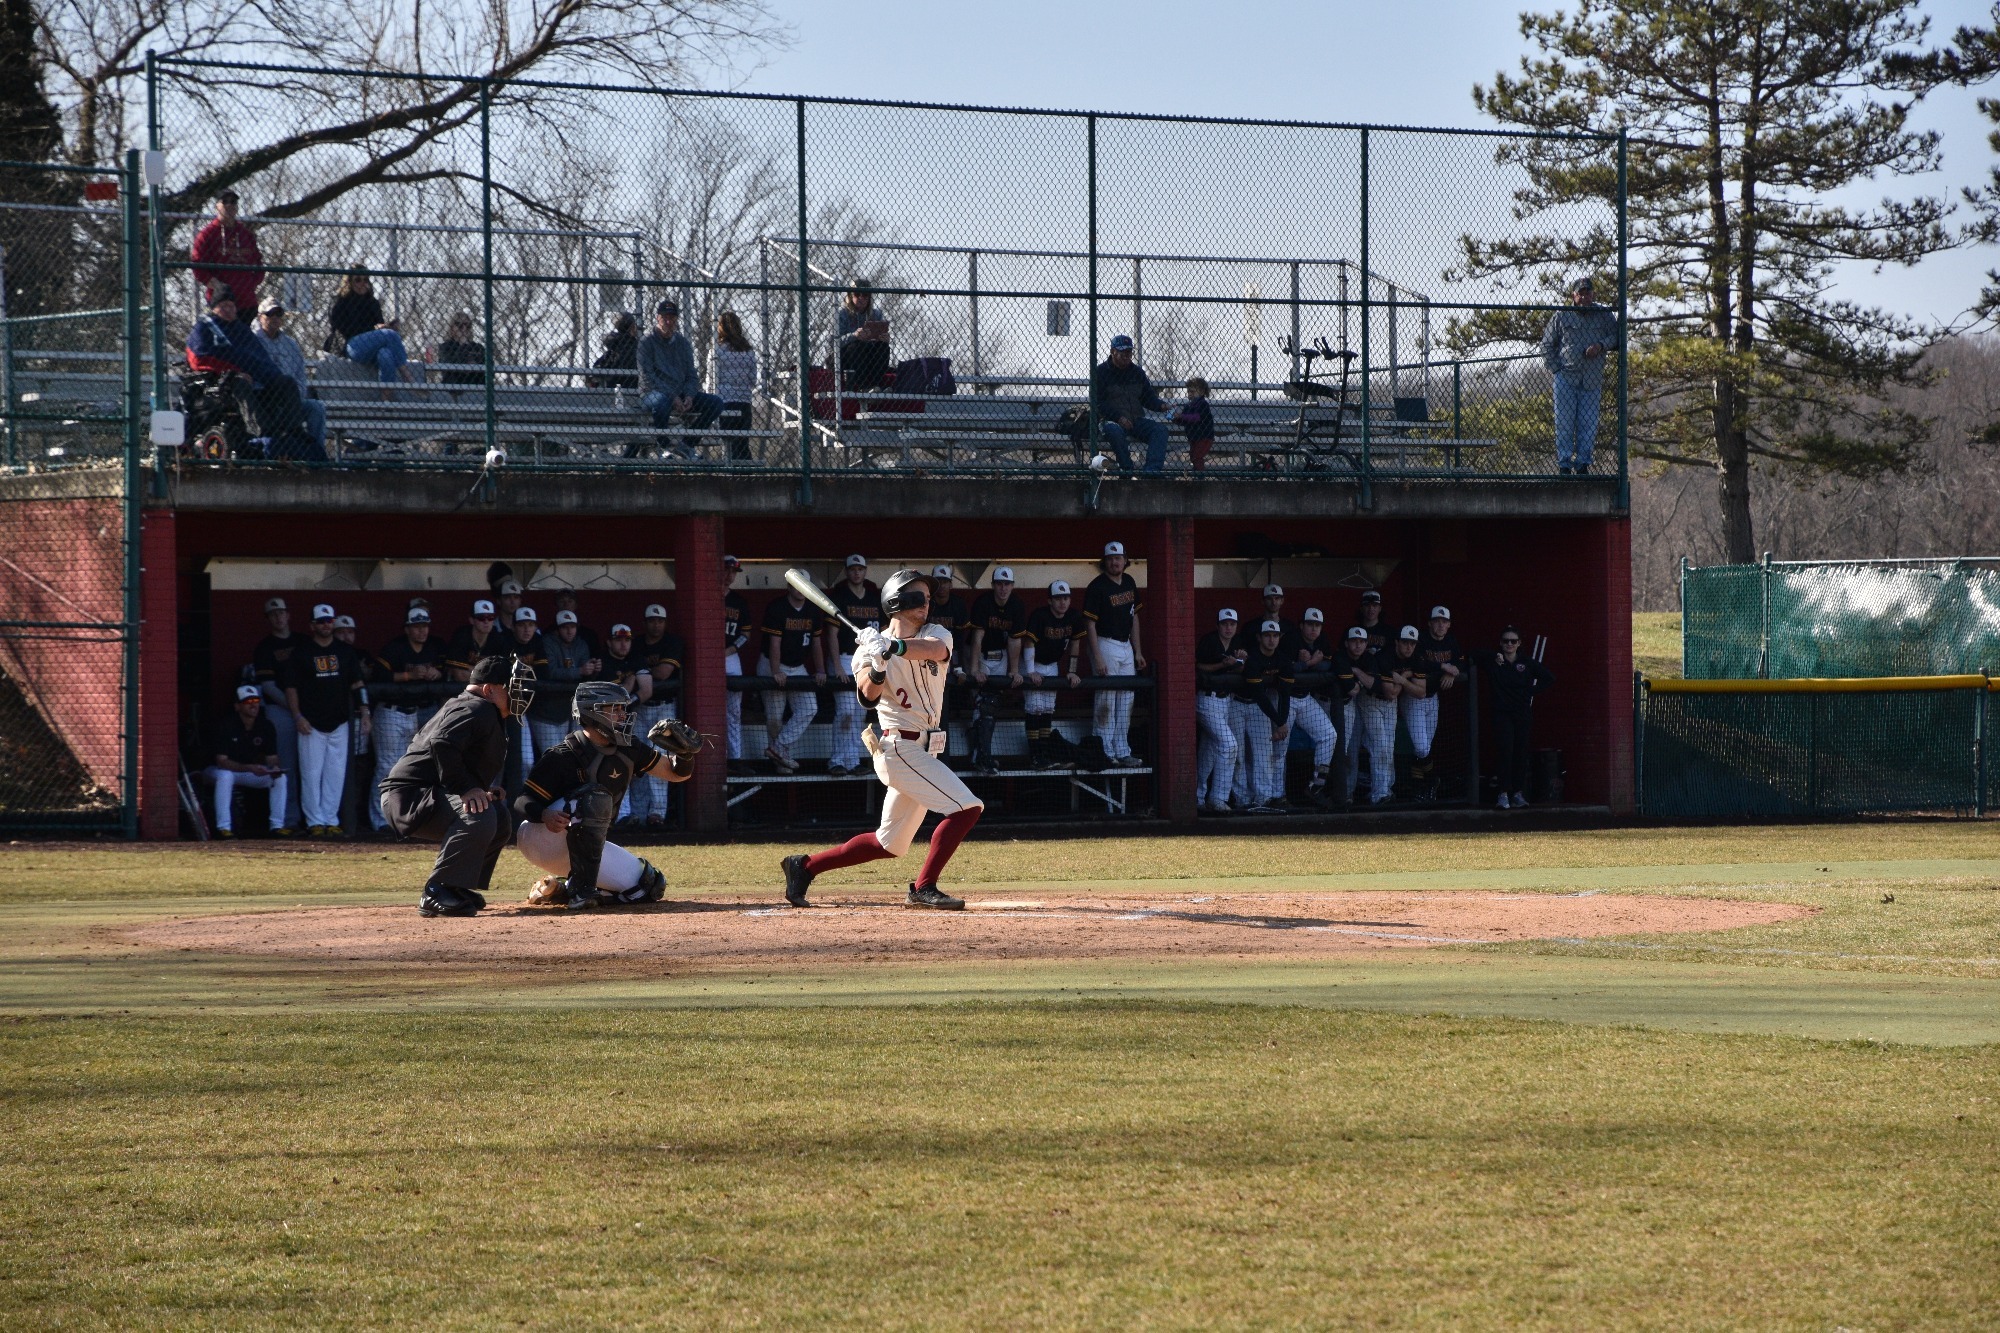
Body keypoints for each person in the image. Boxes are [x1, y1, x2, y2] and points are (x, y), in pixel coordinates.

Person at [780, 570, 983, 911]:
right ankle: (923, 887)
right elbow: (867, 696)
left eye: (928, 598)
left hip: (924, 750)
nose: (926, 604)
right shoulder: (868, 649)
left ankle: (805, 866)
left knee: (889, 844)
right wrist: (877, 664)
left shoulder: (936, 633)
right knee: (967, 807)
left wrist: (893, 646)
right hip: (897, 748)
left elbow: (932, 651)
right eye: (919, 597)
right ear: (897, 602)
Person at [514, 683, 697, 910]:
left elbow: (675, 773)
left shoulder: (630, 746)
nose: (623, 715)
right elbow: (522, 802)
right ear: (592, 713)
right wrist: (545, 814)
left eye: (623, 709)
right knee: (595, 797)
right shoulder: (563, 754)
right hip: (541, 838)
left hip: (584, 847)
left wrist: (685, 754)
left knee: (648, 885)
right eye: (614, 709)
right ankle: (582, 891)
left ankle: (561, 890)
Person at [380, 656, 534, 917]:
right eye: (512, 686)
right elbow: (442, 743)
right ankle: (437, 890)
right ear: (489, 689)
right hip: (409, 797)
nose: (520, 693)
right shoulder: (476, 707)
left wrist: (478, 788)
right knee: (479, 813)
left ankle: (458, 885)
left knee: (498, 815)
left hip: (427, 794)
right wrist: (467, 789)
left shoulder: (482, 708)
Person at [186, 291, 318, 458]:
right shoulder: (204, 327)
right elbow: (199, 359)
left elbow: (259, 360)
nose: (228, 310)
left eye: (231, 306)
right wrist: (233, 371)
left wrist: (274, 378)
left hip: (249, 380)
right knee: (240, 382)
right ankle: (261, 432)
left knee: (286, 382)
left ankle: (292, 431)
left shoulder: (241, 330)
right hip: (217, 383)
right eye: (223, 306)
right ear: (214, 308)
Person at [282, 603, 365, 836]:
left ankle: (331, 819)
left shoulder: (345, 651)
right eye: (321, 622)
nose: (326, 625)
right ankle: (314, 821)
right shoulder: (301, 652)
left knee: (335, 773)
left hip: (339, 721)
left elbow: (357, 684)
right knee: (311, 773)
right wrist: (297, 716)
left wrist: (365, 711)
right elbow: (290, 688)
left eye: (329, 621)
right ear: (312, 626)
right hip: (310, 722)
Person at [370, 606, 448, 837]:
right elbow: (377, 676)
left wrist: (437, 674)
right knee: (386, 767)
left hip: (422, 713)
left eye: (425, 625)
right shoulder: (395, 649)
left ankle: (410, 817)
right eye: (416, 626)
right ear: (407, 629)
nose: (422, 630)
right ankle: (379, 819)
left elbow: (447, 670)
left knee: (420, 769)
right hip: (391, 711)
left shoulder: (434, 647)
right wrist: (407, 676)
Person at [1541, 276, 1621, 474]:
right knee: (1565, 423)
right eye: (1581, 294)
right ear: (1574, 296)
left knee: (1588, 424)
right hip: (1566, 378)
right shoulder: (1561, 315)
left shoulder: (1604, 315)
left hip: (1592, 379)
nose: (1584, 298)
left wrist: (1601, 346)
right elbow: (1546, 344)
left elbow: (1617, 336)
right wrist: (1556, 369)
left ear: (1593, 295)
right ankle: (1565, 464)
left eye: (1588, 293)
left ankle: (1583, 463)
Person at [633, 298, 722, 458]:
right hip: (652, 393)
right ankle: (664, 446)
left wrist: (689, 395)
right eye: (665, 317)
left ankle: (687, 444)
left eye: (672, 318)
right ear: (658, 318)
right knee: (661, 402)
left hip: (680, 393)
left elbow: (691, 375)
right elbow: (648, 378)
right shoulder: (646, 342)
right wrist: (672, 396)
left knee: (716, 403)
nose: (668, 322)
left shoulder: (683, 343)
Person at [1084, 541, 1146, 767]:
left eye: (1118, 558)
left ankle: (1122, 750)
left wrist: (1138, 650)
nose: (1114, 562)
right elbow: (1089, 624)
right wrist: (1097, 656)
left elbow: (1134, 618)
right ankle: (1104, 749)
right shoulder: (1097, 586)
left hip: (1125, 645)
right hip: (1105, 643)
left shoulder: (1129, 582)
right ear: (1105, 561)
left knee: (1126, 699)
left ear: (1125, 560)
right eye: (1110, 559)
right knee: (1107, 699)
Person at [825, 555, 884, 777]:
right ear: (847, 572)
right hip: (844, 658)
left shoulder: (875, 598)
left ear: (865, 571)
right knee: (846, 713)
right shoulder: (840, 596)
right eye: (852, 569)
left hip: (867, 661)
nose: (856, 573)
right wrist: (837, 667)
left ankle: (853, 760)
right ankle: (836, 761)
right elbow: (831, 634)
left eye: (860, 569)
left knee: (859, 714)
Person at [966, 565, 1027, 775]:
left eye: (1007, 584)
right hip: (980, 654)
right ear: (993, 585)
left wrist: (1014, 670)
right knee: (983, 705)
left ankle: (980, 756)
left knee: (989, 706)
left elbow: (1015, 641)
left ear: (1012, 586)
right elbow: (976, 639)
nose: (1003, 589)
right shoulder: (983, 603)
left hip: (1000, 655)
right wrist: (974, 670)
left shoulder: (1017, 606)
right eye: (999, 584)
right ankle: (982, 757)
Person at [206, 685, 289, 838]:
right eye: (248, 701)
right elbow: (222, 762)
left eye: (256, 700)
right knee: (225, 776)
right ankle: (223, 828)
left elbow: (272, 758)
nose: (253, 704)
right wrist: (249, 767)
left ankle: (277, 826)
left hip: (249, 772)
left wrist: (273, 768)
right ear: (237, 706)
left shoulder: (266, 725)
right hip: (218, 771)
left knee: (280, 778)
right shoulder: (226, 724)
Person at [1020, 579, 1086, 770]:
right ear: (1050, 601)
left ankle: (1045, 753)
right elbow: (1029, 643)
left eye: (1066, 598)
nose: (1062, 602)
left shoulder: (1073, 617)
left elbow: (1075, 644)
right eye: (1058, 598)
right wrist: (1031, 670)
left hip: (1052, 665)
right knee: (1035, 708)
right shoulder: (1040, 616)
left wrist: (1072, 671)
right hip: (1032, 663)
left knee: (1048, 709)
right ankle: (1035, 755)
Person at [251, 597, 305, 830]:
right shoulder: (265, 647)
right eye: (273, 614)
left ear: (288, 614)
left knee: (311, 768)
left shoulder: (303, 641)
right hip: (281, 711)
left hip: (309, 710)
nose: (278, 617)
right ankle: (288, 819)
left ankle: (316, 818)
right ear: (268, 619)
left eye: (281, 612)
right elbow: (268, 687)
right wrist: (295, 709)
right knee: (287, 767)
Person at [759, 583, 824, 773]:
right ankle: (780, 762)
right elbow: (774, 644)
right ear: (788, 586)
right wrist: (776, 671)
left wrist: (820, 669)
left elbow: (816, 643)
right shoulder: (777, 607)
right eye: (796, 585)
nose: (800, 590)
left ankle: (777, 748)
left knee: (809, 708)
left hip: (798, 666)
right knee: (774, 718)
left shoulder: (812, 609)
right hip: (772, 663)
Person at [252, 297, 328, 455]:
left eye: (278, 313)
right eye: (270, 313)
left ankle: (316, 454)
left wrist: (295, 398)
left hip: (292, 403)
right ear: (260, 316)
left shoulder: (291, 345)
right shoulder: (252, 340)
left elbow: (301, 377)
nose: (275, 317)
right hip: (266, 402)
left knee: (316, 407)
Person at [1489, 627, 1554, 809]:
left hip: (1522, 713)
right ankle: (1503, 793)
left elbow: (1549, 678)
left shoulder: (1526, 663)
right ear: (1501, 643)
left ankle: (1517, 793)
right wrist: (1494, 655)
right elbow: (1472, 655)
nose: (1509, 644)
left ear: (1519, 643)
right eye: (1505, 641)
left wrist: (1530, 692)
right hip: (1502, 714)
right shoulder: (1495, 661)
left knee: (1520, 752)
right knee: (1505, 751)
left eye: (1513, 641)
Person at [630, 603, 684, 822]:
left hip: (665, 707)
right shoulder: (636, 644)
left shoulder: (672, 642)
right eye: (652, 621)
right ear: (645, 623)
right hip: (641, 709)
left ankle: (657, 814)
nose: (656, 624)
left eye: (660, 621)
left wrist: (640, 673)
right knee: (638, 761)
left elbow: (663, 673)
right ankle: (637, 814)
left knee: (660, 761)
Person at [1408, 606, 1466, 801]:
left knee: (1424, 748)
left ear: (1448, 625)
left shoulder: (1451, 641)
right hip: (1414, 697)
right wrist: (1443, 666)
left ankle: (1419, 788)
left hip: (1433, 698)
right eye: (1437, 621)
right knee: (1422, 748)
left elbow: (1462, 660)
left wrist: (1452, 670)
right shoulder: (1422, 639)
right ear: (1430, 623)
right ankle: (1432, 780)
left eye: (1444, 621)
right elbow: (1417, 661)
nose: (1441, 624)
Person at [1237, 620, 1296, 813]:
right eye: (1267, 636)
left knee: (1264, 753)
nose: (1271, 640)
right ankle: (1242, 800)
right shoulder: (1253, 658)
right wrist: (1279, 722)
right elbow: (1259, 694)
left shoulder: (1283, 659)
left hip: (1257, 709)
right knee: (1239, 754)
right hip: (1236, 703)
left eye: (1275, 636)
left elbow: (1285, 693)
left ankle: (1263, 798)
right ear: (1259, 638)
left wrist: (1282, 722)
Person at [325, 266, 410, 397]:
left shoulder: (372, 302)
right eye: (358, 280)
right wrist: (374, 332)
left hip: (372, 346)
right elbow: (343, 330)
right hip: (352, 345)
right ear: (350, 282)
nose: (362, 284)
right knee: (390, 335)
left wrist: (384, 327)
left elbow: (378, 325)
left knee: (386, 354)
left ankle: (385, 400)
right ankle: (408, 376)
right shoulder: (341, 301)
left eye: (365, 280)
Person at [1092, 335, 1169, 474]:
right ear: (1113, 351)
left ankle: (1151, 471)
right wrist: (1119, 418)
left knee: (1160, 430)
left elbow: (1147, 398)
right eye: (1122, 353)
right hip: (1110, 421)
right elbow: (1099, 403)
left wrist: (1161, 406)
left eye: (1129, 353)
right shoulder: (1101, 372)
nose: (1126, 356)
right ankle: (1126, 470)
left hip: (1135, 420)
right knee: (1114, 431)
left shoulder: (1137, 372)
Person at [1195, 608, 1247, 815]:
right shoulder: (1209, 641)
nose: (1228, 627)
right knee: (1229, 744)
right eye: (1225, 624)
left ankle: (1198, 796)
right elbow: (1198, 666)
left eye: (1232, 624)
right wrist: (1221, 664)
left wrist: (1239, 662)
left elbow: (1242, 669)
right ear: (1218, 625)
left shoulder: (1237, 643)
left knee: (1208, 751)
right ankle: (1218, 798)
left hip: (1226, 701)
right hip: (1207, 699)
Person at [1288, 607, 1341, 803]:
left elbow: (1330, 664)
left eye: (1317, 625)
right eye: (1310, 624)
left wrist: (1310, 662)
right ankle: (1274, 795)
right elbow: (1286, 669)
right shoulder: (1291, 640)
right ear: (1301, 625)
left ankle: (1317, 785)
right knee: (1278, 749)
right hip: (1284, 698)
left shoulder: (1322, 640)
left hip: (1304, 698)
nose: (1313, 629)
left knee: (1329, 734)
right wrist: (1311, 663)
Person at [534, 608, 600, 757]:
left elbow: (585, 677)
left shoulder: (581, 644)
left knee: (568, 756)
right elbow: (549, 672)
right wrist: (580, 671)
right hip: (544, 711)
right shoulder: (547, 642)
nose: (569, 631)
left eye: (572, 627)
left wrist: (593, 670)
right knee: (552, 757)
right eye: (565, 627)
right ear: (557, 629)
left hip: (566, 711)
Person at [1348, 621, 1400, 806]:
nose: (1358, 645)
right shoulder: (1358, 657)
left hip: (1387, 702)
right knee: (1375, 747)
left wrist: (1357, 673)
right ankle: (1376, 793)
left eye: (1361, 641)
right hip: (1366, 702)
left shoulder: (1389, 654)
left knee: (1386, 748)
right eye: (1354, 641)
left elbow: (1381, 686)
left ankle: (1384, 790)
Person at [189, 189, 263, 310]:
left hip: (247, 301)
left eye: (233, 202)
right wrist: (217, 286)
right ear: (217, 206)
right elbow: (197, 265)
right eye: (225, 201)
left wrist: (251, 284)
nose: (229, 205)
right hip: (221, 302)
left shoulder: (245, 234)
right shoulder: (207, 234)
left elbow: (259, 263)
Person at [711, 310, 759, 462]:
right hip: (744, 401)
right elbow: (752, 379)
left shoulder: (717, 351)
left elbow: (712, 379)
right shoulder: (748, 350)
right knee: (742, 442)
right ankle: (745, 472)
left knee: (729, 443)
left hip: (724, 401)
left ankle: (732, 471)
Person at [835, 280, 891, 391]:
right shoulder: (842, 313)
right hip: (845, 356)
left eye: (865, 295)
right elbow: (834, 342)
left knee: (883, 347)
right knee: (857, 346)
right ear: (850, 296)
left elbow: (877, 339)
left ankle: (876, 386)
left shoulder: (876, 314)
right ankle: (864, 387)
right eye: (857, 294)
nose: (861, 298)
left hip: (867, 353)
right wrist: (854, 336)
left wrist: (884, 339)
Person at [721, 556, 751, 763]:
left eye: (733, 572)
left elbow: (746, 634)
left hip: (730, 657)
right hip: (707, 659)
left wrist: (730, 649)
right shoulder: (705, 595)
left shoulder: (739, 601)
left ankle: (735, 759)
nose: (730, 575)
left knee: (733, 712)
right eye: (726, 570)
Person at [444, 599, 504, 682]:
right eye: (481, 618)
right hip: (460, 691)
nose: (486, 621)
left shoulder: (497, 637)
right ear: (472, 620)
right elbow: (460, 675)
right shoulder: (461, 636)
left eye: (490, 617)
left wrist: (472, 670)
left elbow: (503, 673)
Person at [1171, 375, 1216, 471]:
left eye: (1192, 391)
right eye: (1188, 391)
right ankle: (1197, 473)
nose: (1189, 394)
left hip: (1204, 437)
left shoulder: (1203, 404)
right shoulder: (1189, 405)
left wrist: (1181, 416)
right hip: (1194, 437)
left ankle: (1200, 476)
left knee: (1197, 456)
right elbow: (1185, 420)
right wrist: (1175, 418)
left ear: (1202, 392)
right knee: (1193, 456)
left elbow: (1197, 417)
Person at [431, 312, 487, 387]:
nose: (464, 328)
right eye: (459, 325)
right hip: (454, 388)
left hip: (477, 387)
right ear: (452, 327)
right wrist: (463, 345)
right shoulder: (445, 347)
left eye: (467, 325)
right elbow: (449, 368)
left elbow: (486, 370)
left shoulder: (478, 347)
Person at [587, 311, 640, 389]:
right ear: (632, 327)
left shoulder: (613, 347)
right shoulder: (635, 346)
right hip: (633, 389)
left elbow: (597, 366)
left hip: (611, 390)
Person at [1356, 589, 1390, 654]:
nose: (1371, 608)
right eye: (1367, 605)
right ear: (1361, 608)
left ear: (1380, 608)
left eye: (1374, 605)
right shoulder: (1351, 631)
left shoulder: (1389, 632)